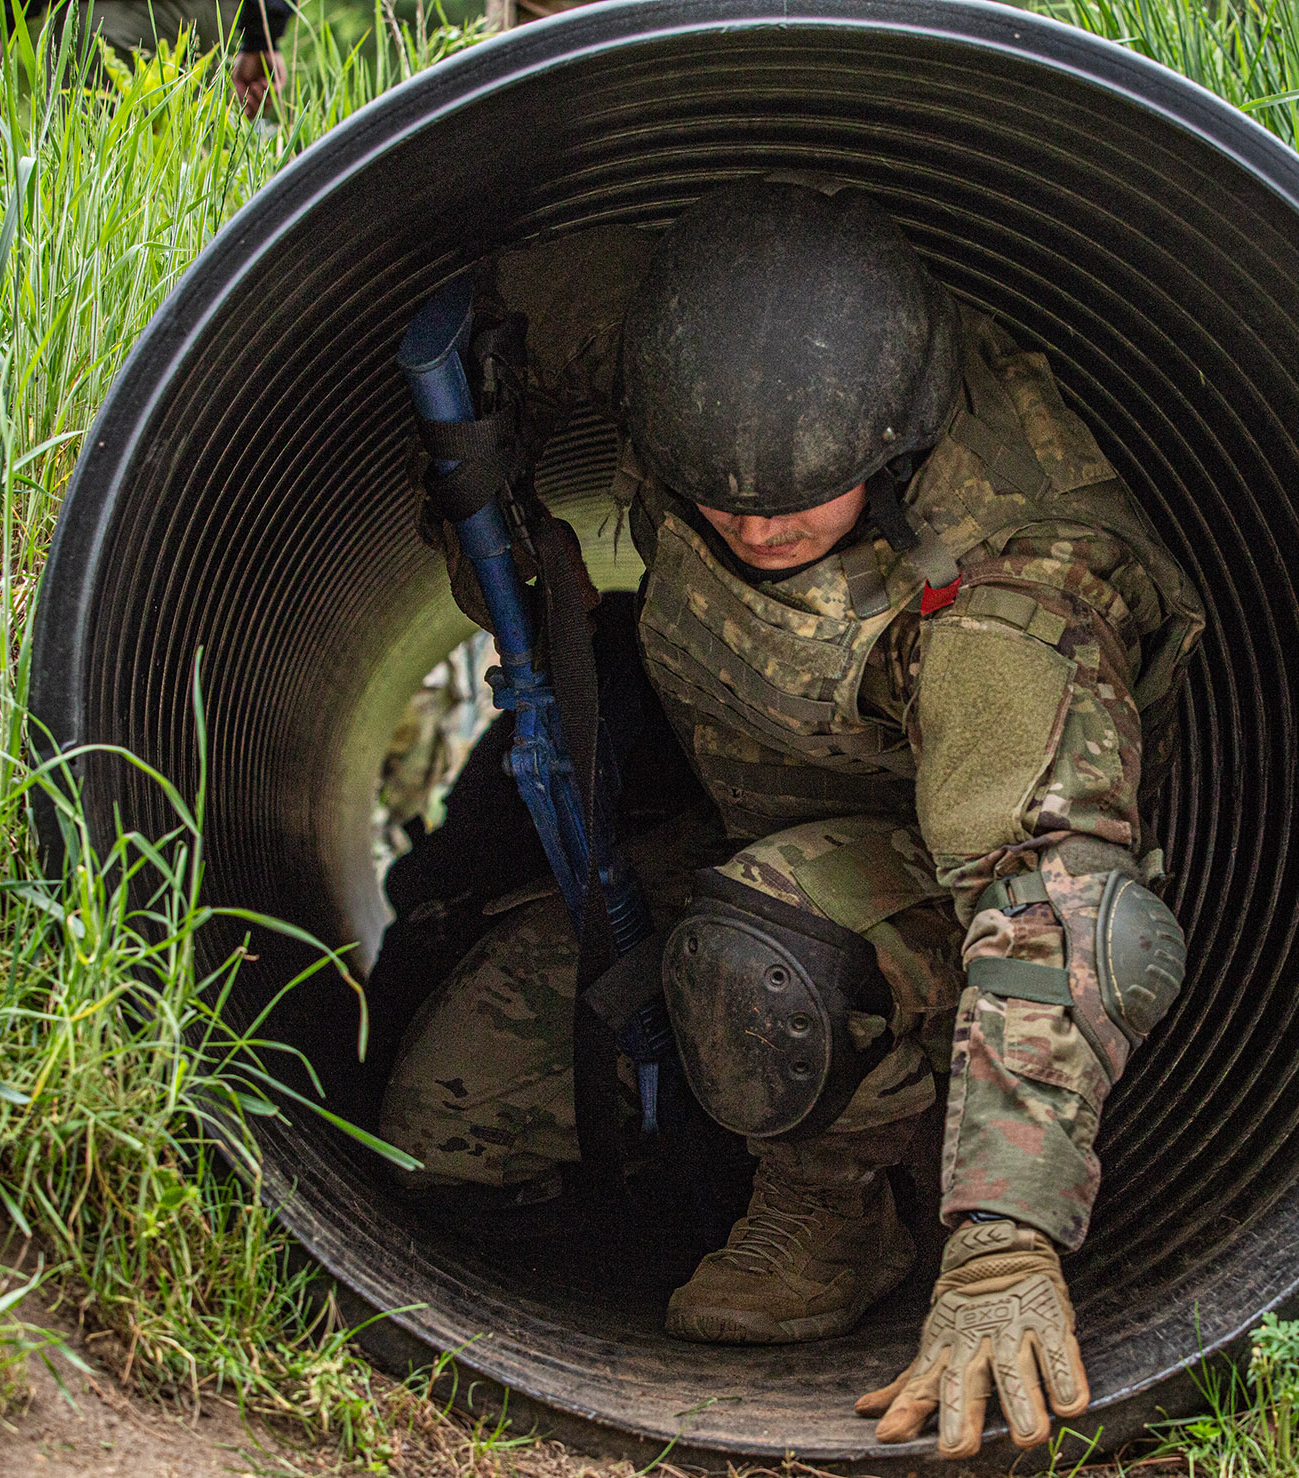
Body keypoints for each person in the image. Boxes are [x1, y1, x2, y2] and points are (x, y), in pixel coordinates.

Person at [378, 177, 1205, 1457]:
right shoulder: (669, 332)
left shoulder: (1006, 581)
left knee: (765, 959)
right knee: (444, 1125)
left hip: (926, 892)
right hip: (745, 846)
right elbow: (452, 305)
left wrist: (1002, 1242)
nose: (755, 523)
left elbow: (1058, 909)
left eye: (799, 497)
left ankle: (837, 1208)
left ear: (888, 445)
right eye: (716, 495)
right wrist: (482, 472)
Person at [0, 0, 291, 129]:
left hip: (115, 18)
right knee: (186, 182)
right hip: (213, 14)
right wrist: (263, 34)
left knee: (86, 185)